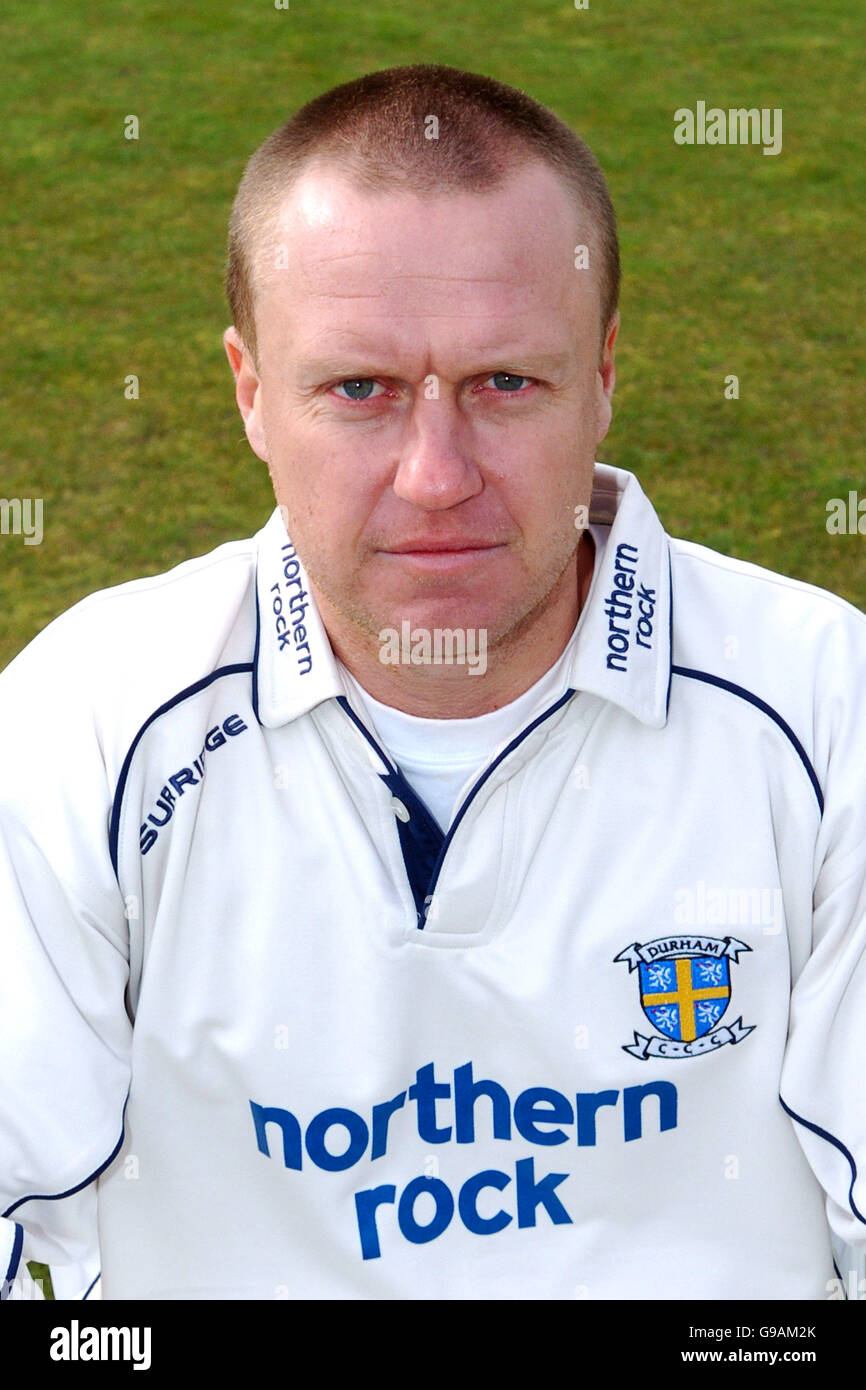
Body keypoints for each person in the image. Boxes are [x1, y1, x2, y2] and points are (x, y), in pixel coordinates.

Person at [1, 63, 864, 1302]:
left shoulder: (828, 714)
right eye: (359, 390)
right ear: (250, 392)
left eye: (503, 383)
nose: (435, 474)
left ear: (604, 375)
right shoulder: (77, 728)